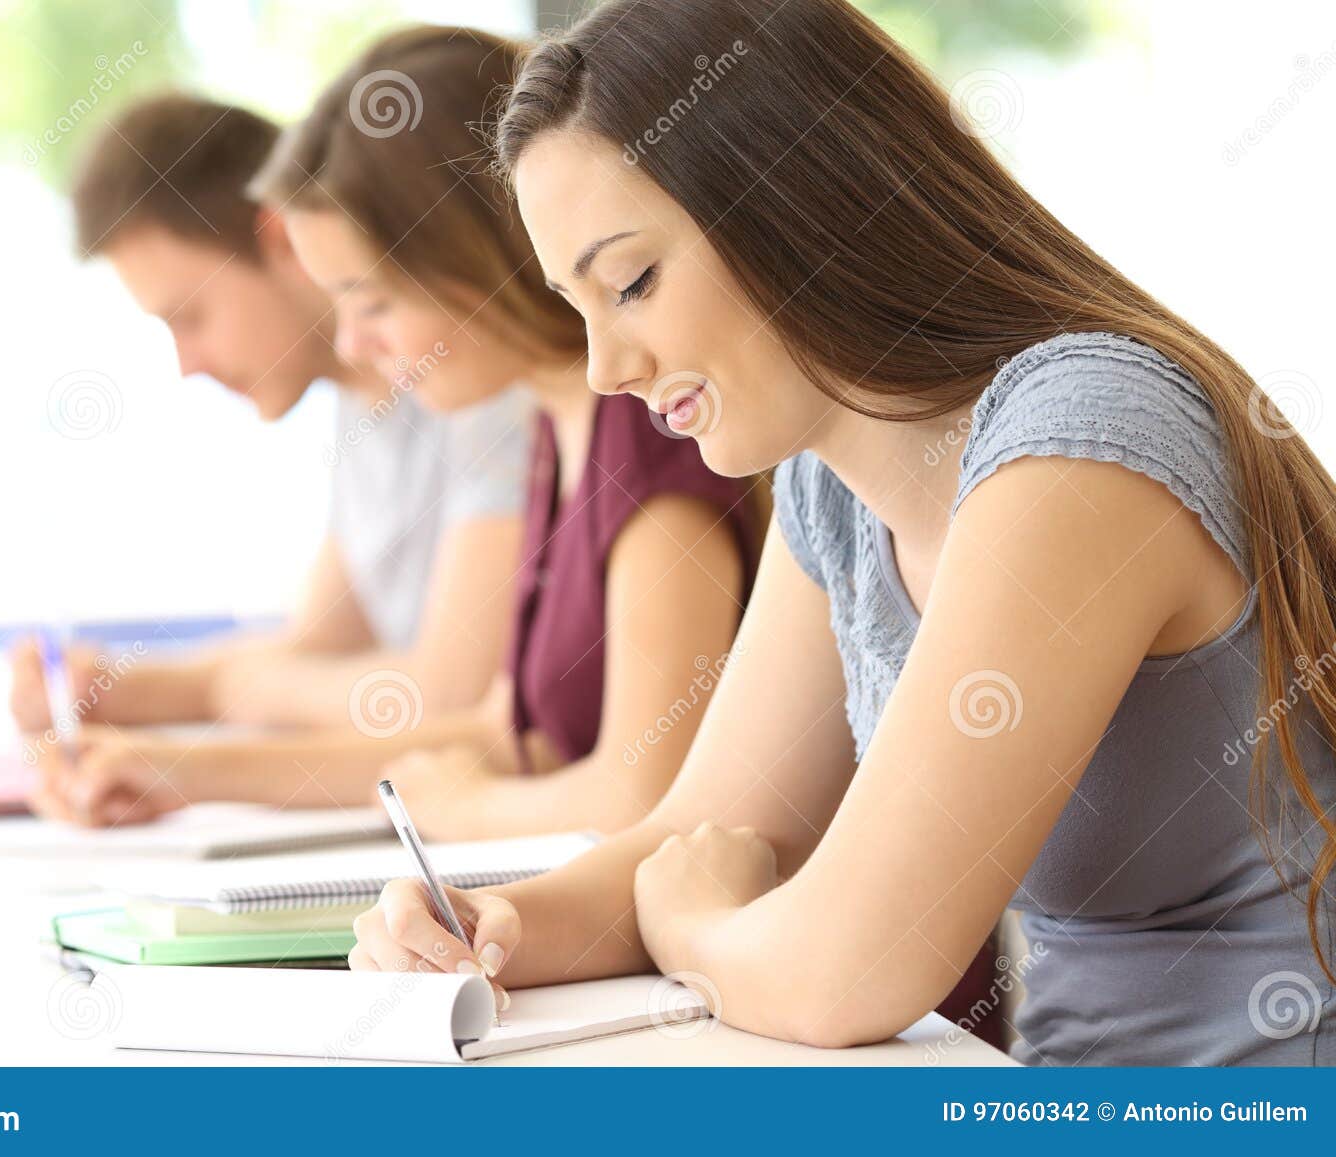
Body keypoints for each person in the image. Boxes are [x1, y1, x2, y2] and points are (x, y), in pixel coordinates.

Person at [348, 0, 1336, 1066]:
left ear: (801, 201)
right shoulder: (832, 482)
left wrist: (689, 925)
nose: (605, 368)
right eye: (579, 306)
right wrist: (492, 925)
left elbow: (847, 973)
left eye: (631, 282)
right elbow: (714, 836)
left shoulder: (1079, 440)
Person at [30, 27, 764, 847]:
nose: (352, 343)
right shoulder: (558, 433)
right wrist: (182, 773)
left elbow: (639, 792)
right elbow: (506, 735)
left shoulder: (639, 433)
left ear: (471, 259)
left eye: (373, 301)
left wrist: (455, 810)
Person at [9, 93, 533, 757]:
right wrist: (106, 689)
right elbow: (321, 642)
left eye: (190, 317)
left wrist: (237, 691)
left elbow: (447, 693)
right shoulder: (361, 408)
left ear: (280, 236)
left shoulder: (477, 382)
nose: (186, 365)